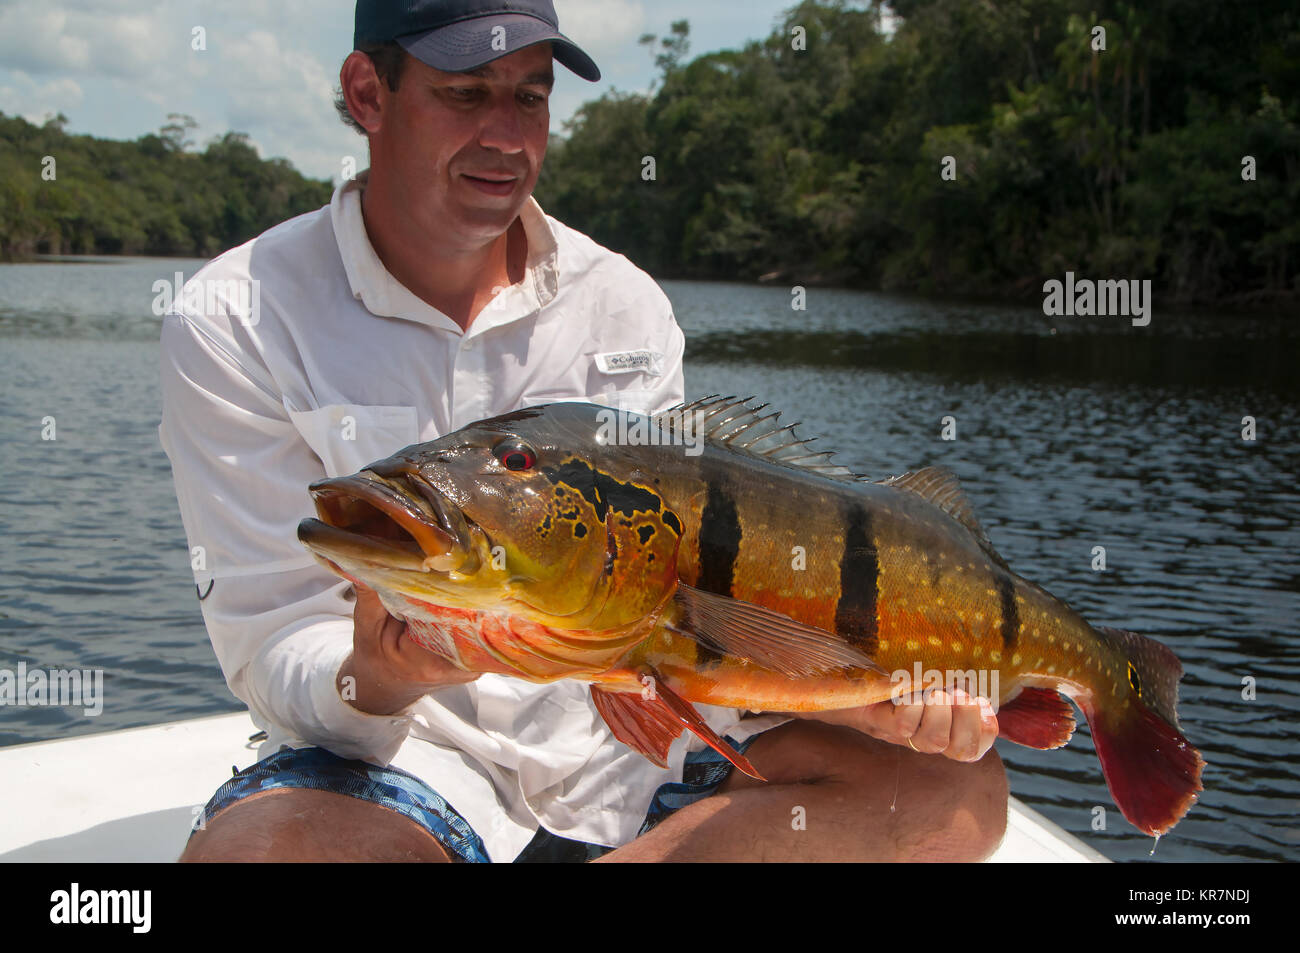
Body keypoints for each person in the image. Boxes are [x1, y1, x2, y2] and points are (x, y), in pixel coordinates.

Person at [160, 0, 1007, 863]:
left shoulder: (624, 305)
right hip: (396, 761)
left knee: (956, 798)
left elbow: (672, 610)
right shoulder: (237, 318)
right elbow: (271, 642)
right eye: (465, 93)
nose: (506, 135)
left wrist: (844, 690)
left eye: (530, 97)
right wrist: (375, 674)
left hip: (631, 759)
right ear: (367, 92)